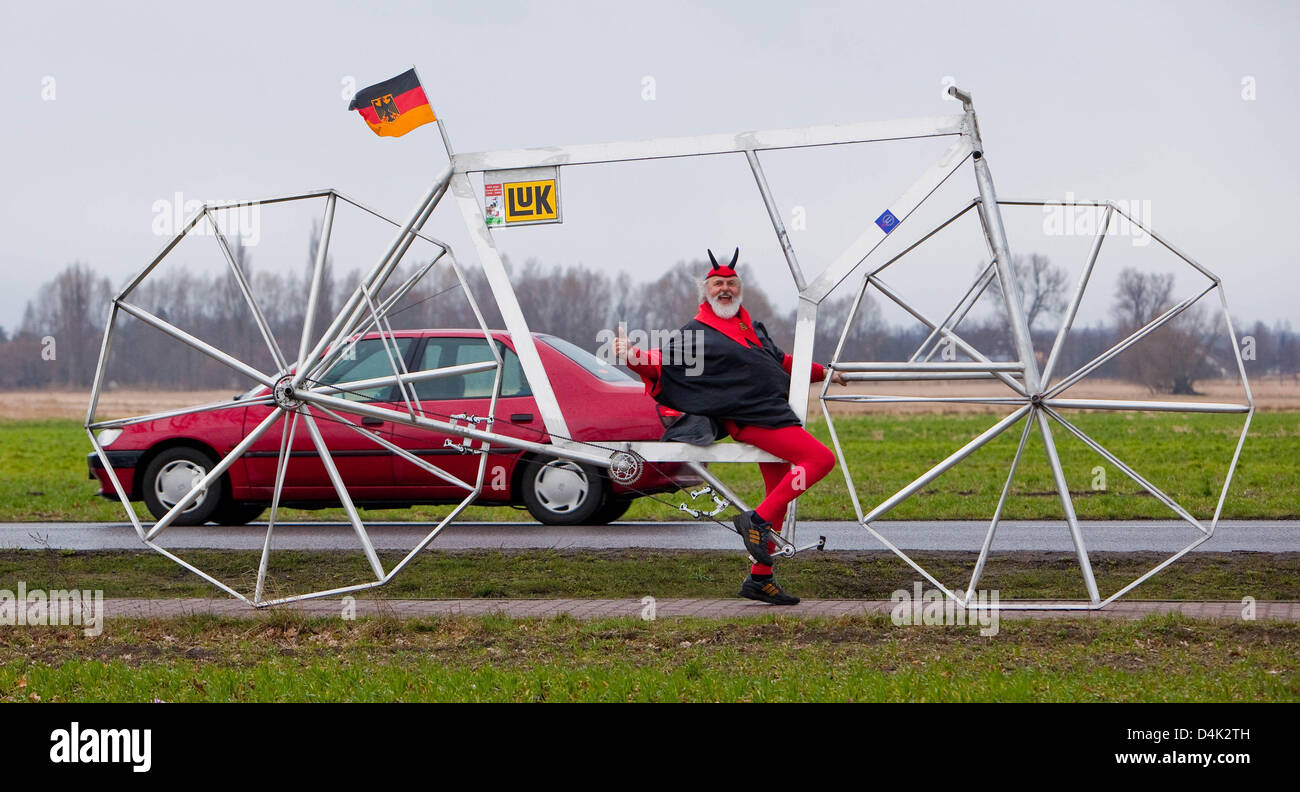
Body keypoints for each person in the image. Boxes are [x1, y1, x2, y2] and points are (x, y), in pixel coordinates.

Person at [613, 248, 847, 605]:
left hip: (773, 411)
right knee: (820, 460)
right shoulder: (697, 332)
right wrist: (632, 356)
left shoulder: (751, 328)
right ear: (706, 291)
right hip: (753, 419)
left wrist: (826, 373)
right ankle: (755, 520)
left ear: (739, 289)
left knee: (778, 498)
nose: (725, 288)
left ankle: (760, 578)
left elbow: (783, 363)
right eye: (718, 283)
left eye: (732, 283)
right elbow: (663, 363)